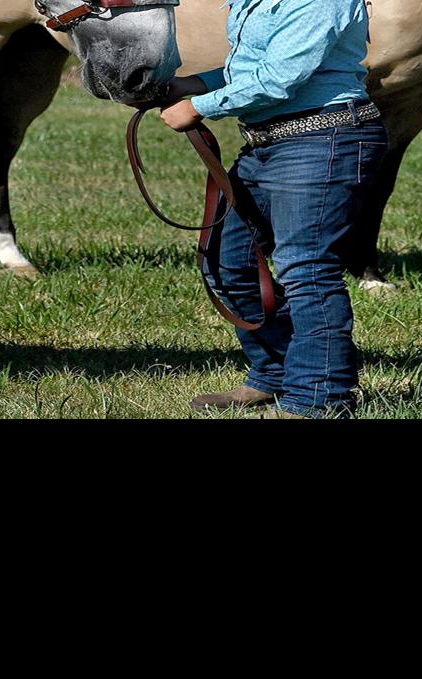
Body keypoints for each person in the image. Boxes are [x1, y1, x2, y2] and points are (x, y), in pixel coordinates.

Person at [158, 0, 387, 419]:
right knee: (225, 262)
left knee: (307, 268)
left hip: (325, 138)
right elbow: (255, 66)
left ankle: (321, 397)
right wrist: (194, 84)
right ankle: (278, 373)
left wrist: (198, 107)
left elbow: (281, 78)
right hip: (269, 142)